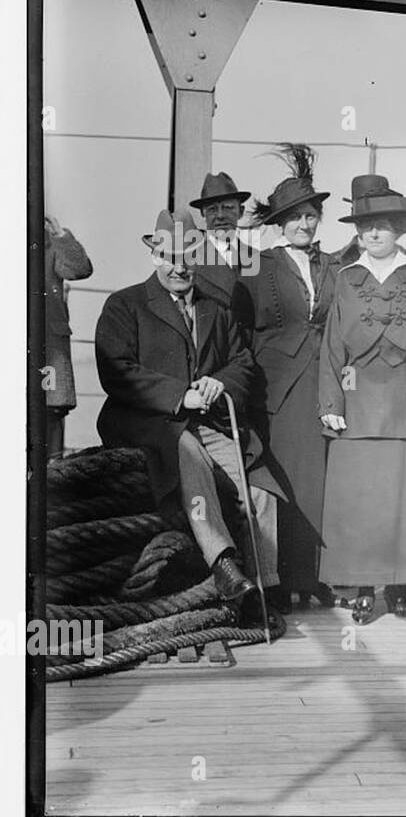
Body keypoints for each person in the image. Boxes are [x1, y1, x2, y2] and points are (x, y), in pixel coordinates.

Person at [95, 209, 281, 613]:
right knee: (189, 454)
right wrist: (180, 395)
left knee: (259, 485)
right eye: (170, 256)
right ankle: (225, 566)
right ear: (154, 255)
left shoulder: (217, 307)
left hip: (209, 419)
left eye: (188, 256)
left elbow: (241, 361)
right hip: (149, 421)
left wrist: (221, 383)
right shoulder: (125, 305)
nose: (179, 266)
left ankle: (266, 588)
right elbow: (116, 371)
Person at [318, 179, 406, 624]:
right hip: (357, 402)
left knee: (402, 499)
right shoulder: (345, 278)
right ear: (358, 234)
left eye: (383, 227)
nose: (374, 235)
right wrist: (330, 401)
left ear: (399, 229)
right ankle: (361, 589)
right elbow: (333, 345)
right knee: (361, 500)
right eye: (366, 228)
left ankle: (398, 589)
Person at [246, 144, 339, 611]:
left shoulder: (330, 265)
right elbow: (209, 278)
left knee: (315, 482)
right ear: (279, 223)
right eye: (296, 217)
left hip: (320, 382)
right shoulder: (256, 265)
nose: (305, 224)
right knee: (280, 481)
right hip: (276, 386)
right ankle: (279, 580)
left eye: (311, 216)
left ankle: (312, 578)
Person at [43, 216, 94, 455]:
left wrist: (61, 236)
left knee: (50, 432)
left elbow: (79, 269)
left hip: (48, 358)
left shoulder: (48, 242)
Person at [190, 171, 259, 328]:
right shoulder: (190, 257)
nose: (220, 216)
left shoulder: (255, 257)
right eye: (212, 209)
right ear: (203, 213)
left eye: (228, 208)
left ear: (240, 212)